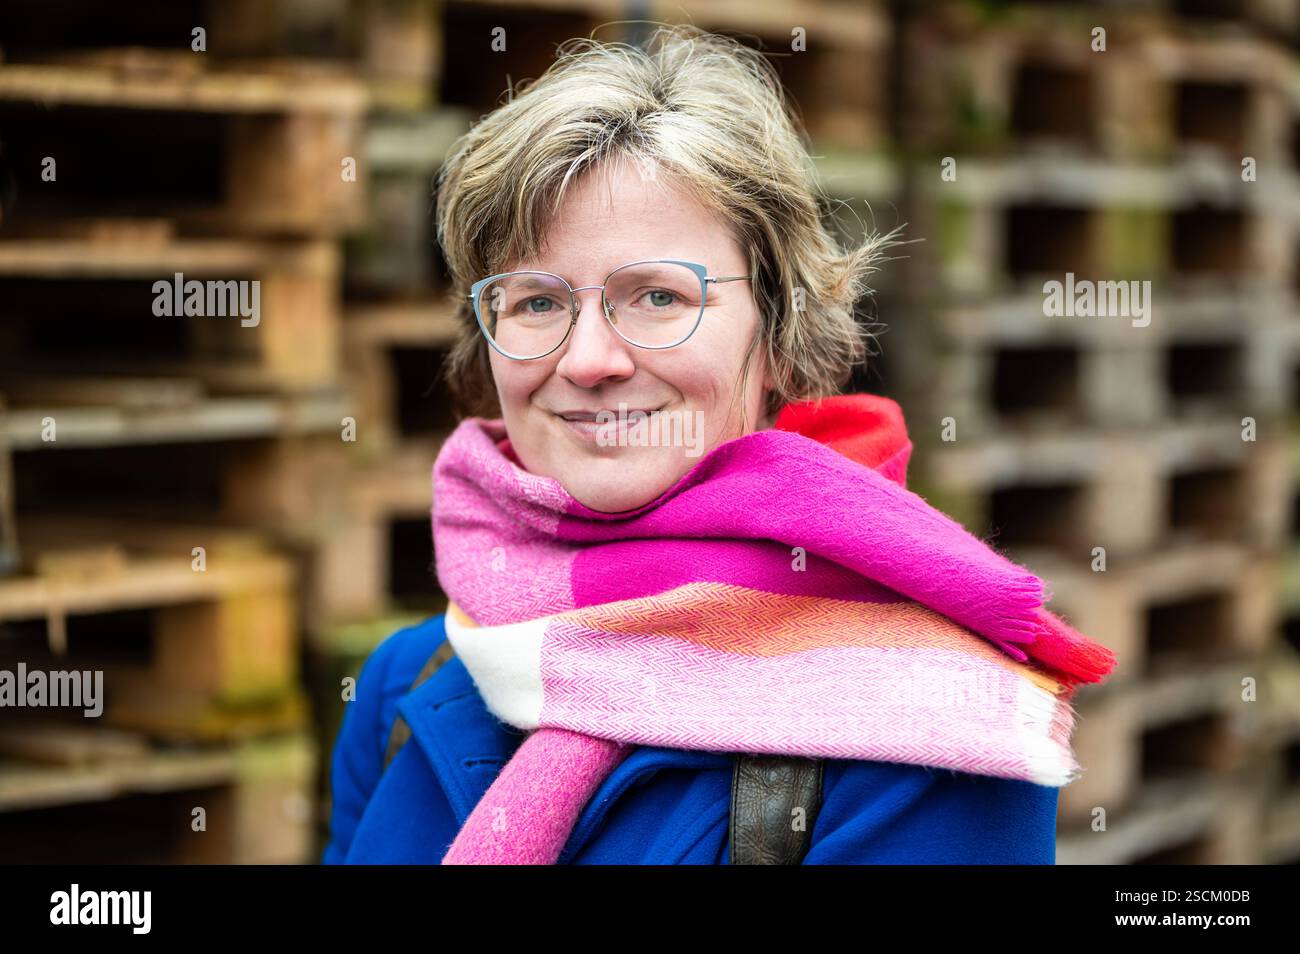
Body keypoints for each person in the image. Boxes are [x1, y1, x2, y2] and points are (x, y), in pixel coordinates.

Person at [323, 24, 1114, 865]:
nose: (589, 360)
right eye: (537, 303)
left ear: (779, 332)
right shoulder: (408, 685)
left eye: (658, 297)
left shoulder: (933, 732)